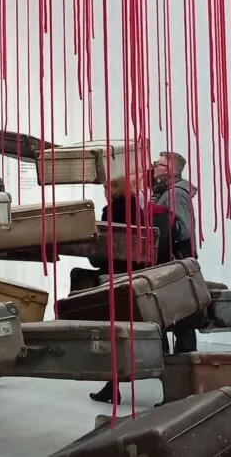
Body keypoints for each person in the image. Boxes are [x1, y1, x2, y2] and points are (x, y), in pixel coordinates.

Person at [90, 172, 174, 404]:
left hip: (116, 279)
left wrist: (94, 257)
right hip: (135, 277)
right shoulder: (137, 207)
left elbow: (108, 247)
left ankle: (113, 386)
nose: (105, 190)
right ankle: (170, 386)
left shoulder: (113, 210)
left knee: (117, 334)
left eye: (107, 186)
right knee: (148, 332)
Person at [151, 151, 199, 354]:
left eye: (158, 164)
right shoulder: (167, 191)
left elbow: (184, 228)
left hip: (175, 261)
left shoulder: (174, 193)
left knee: (181, 311)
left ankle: (185, 356)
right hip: (174, 261)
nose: (154, 167)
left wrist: (161, 229)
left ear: (168, 170)